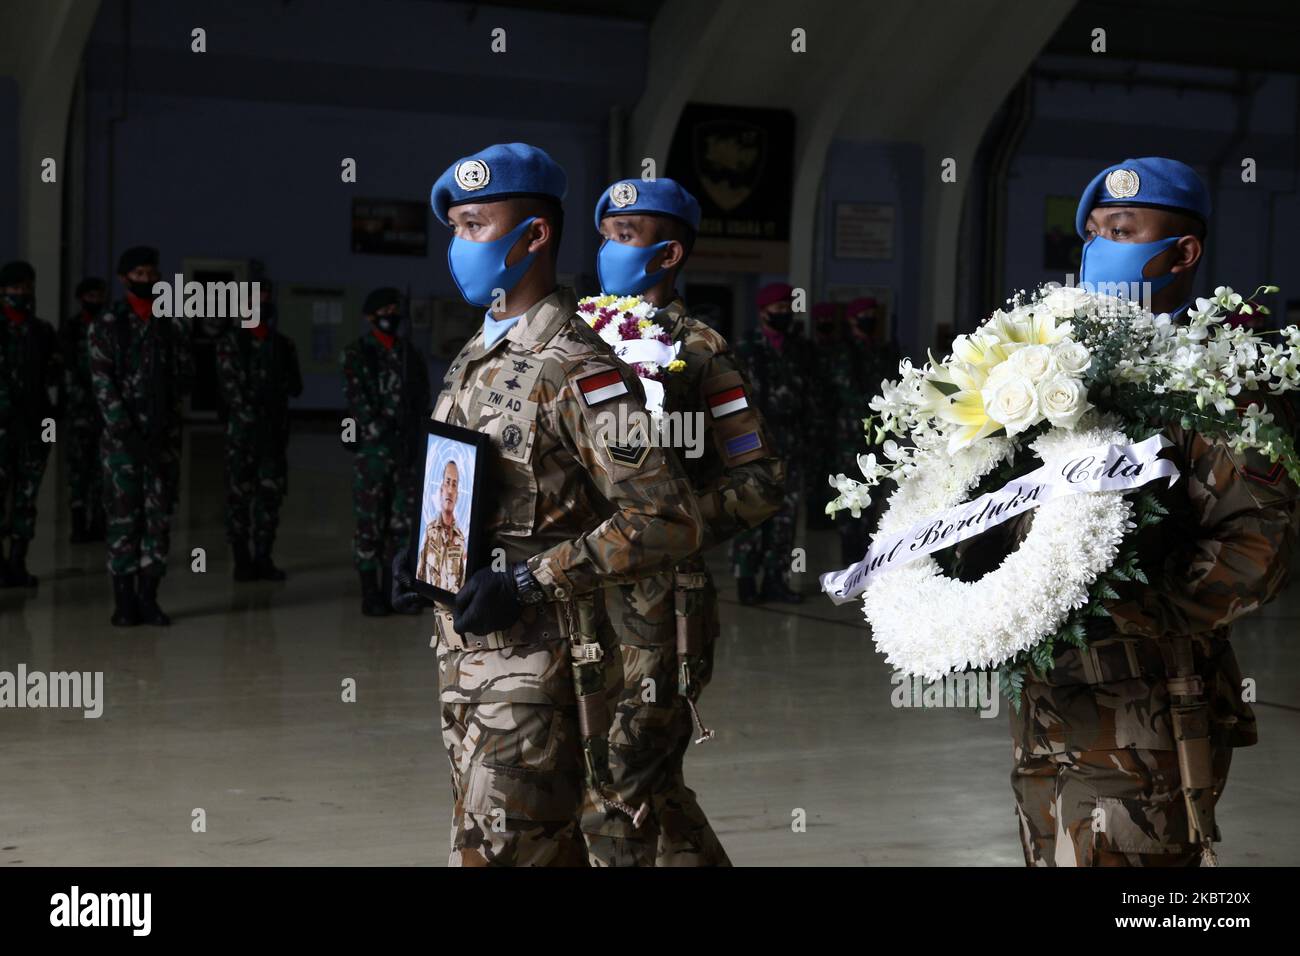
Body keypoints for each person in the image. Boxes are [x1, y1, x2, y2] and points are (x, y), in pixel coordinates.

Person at [392, 142, 704, 866]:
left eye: (476, 225)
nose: (459, 245)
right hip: (469, 662)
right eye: (456, 228)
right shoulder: (478, 351)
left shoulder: (579, 367)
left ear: (533, 237)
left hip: (535, 675)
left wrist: (530, 579)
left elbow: (665, 517)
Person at [1005, 157, 1300, 865]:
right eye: (1096, 231)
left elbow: (1260, 546)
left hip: (1150, 710)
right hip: (1049, 703)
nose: (1103, 245)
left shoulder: (1224, 381)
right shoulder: (1051, 367)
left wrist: (1126, 606)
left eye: (1125, 229)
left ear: (1183, 252)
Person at [581, 177, 785, 866]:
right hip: (577, 598)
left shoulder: (700, 354)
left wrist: (666, 520)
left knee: (617, 786)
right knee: (649, 787)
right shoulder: (573, 339)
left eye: (628, 236)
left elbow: (759, 483)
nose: (610, 247)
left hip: (659, 607)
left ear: (669, 254)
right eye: (606, 233)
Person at [90, 245, 194, 625]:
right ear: (123, 279)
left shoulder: (172, 323)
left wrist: (165, 419)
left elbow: (185, 376)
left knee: (158, 520)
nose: (147, 280)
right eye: (139, 275)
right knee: (122, 520)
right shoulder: (107, 323)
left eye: (151, 274)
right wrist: (126, 431)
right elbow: (102, 382)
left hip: (163, 441)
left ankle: (149, 597)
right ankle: (123, 601)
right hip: (123, 444)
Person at [342, 287, 428, 616]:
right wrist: (384, 436)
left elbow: (421, 399)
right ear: (370, 316)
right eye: (385, 309)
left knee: (402, 524)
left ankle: (397, 590)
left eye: (396, 309)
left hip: (405, 452)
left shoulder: (411, 354)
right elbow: (358, 402)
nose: (391, 315)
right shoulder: (358, 353)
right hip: (373, 454)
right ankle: (370, 593)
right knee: (370, 523)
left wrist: (417, 439)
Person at [216, 279, 303, 582]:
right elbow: (231, 391)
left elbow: (295, 386)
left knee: (269, 499)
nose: (262, 302)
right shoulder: (231, 343)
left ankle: (263, 557)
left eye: (266, 296)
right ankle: (241, 559)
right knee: (239, 499)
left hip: (273, 436)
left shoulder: (282, 344)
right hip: (242, 437)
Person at [730, 282, 810, 603]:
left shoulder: (799, 349)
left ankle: (777, 579)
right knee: (751, 512)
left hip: (789, 444)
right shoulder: (745, 347)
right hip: (752, 445)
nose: (784, 314)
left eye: (788, 309)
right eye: (778, 309)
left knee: (785, 518)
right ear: (763, 311)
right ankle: (746, 580)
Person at [0, 260, 59, 586]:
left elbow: (54, 370)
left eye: (26, 287)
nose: (21, 293)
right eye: (14, 288)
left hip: (37, 425)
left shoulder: (42, 330)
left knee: (27, 498)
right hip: (4, 426)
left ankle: (18, 562)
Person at [60, 277, 109, 544]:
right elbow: (65, 367)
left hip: (105, 409)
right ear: (81, 298)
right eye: (91, 296)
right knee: (79, 469)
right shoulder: (71, 329)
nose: (96, 301)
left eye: (100, 295)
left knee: (102, 469)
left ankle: (99, 521)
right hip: (79, 409)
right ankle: (78, 522)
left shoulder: (109, 327)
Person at [417, 459, 466, 591]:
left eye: (454, 485)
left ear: (457, 496)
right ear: (441, 490)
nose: (450, 490)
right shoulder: (429, 531)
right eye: (447, 482)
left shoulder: (461, 540)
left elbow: (463, 585)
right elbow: (419, 575)